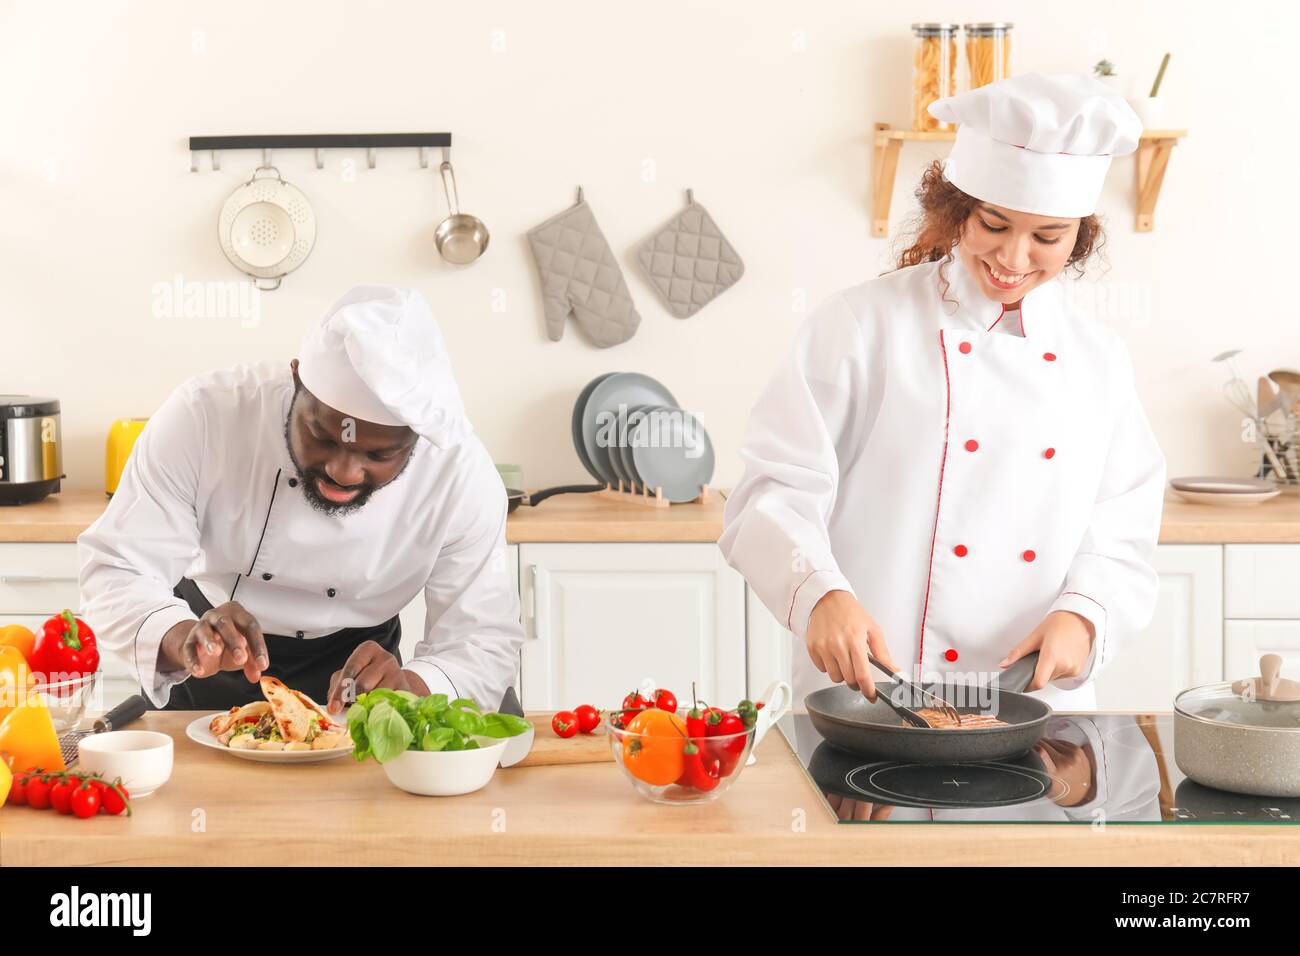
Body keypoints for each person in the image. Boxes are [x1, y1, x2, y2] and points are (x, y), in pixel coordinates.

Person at [720, 73, 1166, 710]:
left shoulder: (1098, 358)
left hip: (1036, 703)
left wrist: (1086, 615)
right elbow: (775, 487)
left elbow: (1124, 522)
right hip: (872, 691)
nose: (1014, 257)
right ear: (957, 209)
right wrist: (820, 593)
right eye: (994, 223)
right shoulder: (861, 325)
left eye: (1048, 237)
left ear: (1080, 236)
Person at [79, 286, 523, 714]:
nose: (343, 472)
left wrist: (412, 685)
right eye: (322, 436)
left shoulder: (459, 472)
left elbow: (482, 636)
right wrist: (182, 638)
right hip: (208, 661)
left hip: (360, 685)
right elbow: (118, 568)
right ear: (296, 379)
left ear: (417, 439)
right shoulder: (207, 415)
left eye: (379, 454)